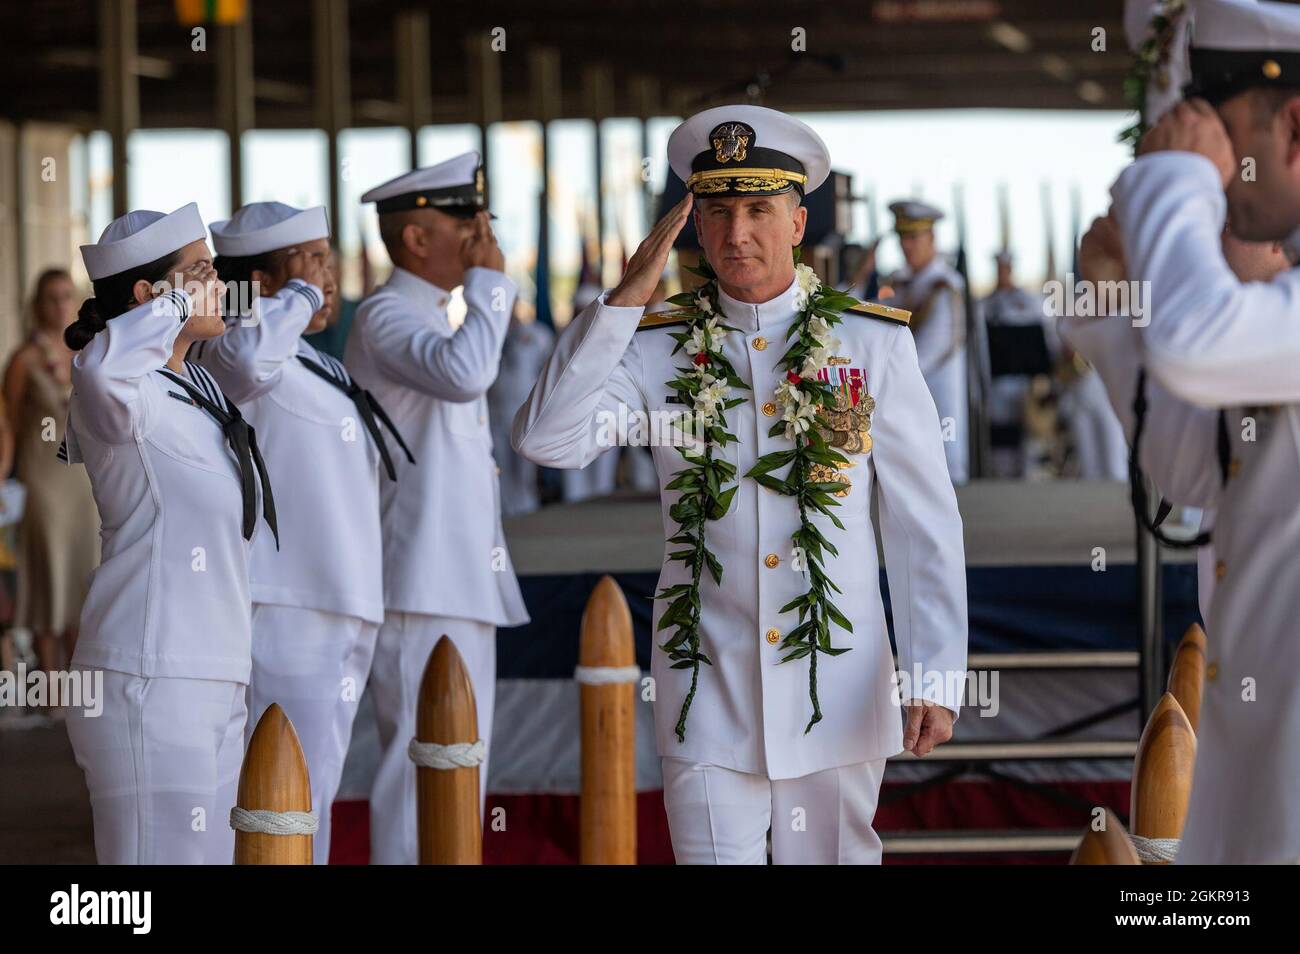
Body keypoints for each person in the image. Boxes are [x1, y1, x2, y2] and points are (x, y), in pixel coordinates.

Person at [513, 105, 967, 864]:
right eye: (717, 212)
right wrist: (623, 301)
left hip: (838, 683)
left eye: (759, 209)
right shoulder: (656, 352)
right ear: (693, 227)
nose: (736, 233)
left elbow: (923, 521)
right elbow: (546, 439)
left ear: (797, 222)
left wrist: (935, 670)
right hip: (705, 687)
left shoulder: (871, 343)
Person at [1095, 0, 1300, 863]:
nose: (1216, 168)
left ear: (1293, 122)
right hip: (1261, 774)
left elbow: (1191, 343)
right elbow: (1192, 474)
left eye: (1221, 136)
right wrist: (1108, 304)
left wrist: (1168, 180)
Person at [60, 203, 276, 864]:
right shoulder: (124, 392)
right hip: (148, 676)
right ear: (152, 296)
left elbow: (263, 358)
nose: (219, 281)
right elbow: (98, 369)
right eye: (201, 270)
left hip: (212, 670)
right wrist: (173, 306)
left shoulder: (198, 385)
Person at [198, 201, 395, 865]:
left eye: (327, 257)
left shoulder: (311, 359)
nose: (327, 275)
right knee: (280, 798)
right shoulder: (235, 347)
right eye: (309, 261)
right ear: (261, 283)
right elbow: (248, 361)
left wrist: (299, 288)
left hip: (340, 598)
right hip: (288, 605)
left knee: (311, 794)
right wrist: (294, 297)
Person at [347, 152, 529, 864]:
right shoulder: (385, 316)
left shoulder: (435, 316)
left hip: (453, 576)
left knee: (460, 762)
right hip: (418, 578)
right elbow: (465, 374)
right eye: (464, 223)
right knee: (417, 768)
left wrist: (479, 289)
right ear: (417, 240)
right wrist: (490, 283)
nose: (479, 236)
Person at [2, 269, 99, 683]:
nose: (59, 305)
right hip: (42, 479)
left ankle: (78, 693)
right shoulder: (24, 359)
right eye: (50, 298)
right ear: (37, 304)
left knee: (82, 577)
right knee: (48, 578)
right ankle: (52, 695)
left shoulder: (89, 352)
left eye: (66, 296)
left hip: (82, 480)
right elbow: (6, 421)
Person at [887, 200, 969, 483]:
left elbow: (931, 350)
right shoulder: (899, 284)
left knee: (942, 481)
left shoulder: (945, 286)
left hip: (936, 401)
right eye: (901, 238)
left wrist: (883, 376)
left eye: (912, 237)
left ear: (931, 238)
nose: (905, 246)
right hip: (904, 404)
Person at [974, 251, 1056, 478]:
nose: (1003, 272)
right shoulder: (985, 305)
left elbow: (1046, 339)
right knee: (1002, 437)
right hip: (999, 382)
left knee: (1031, 437)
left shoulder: (1030, 301)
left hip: (1029, 383)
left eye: (1006, 268)